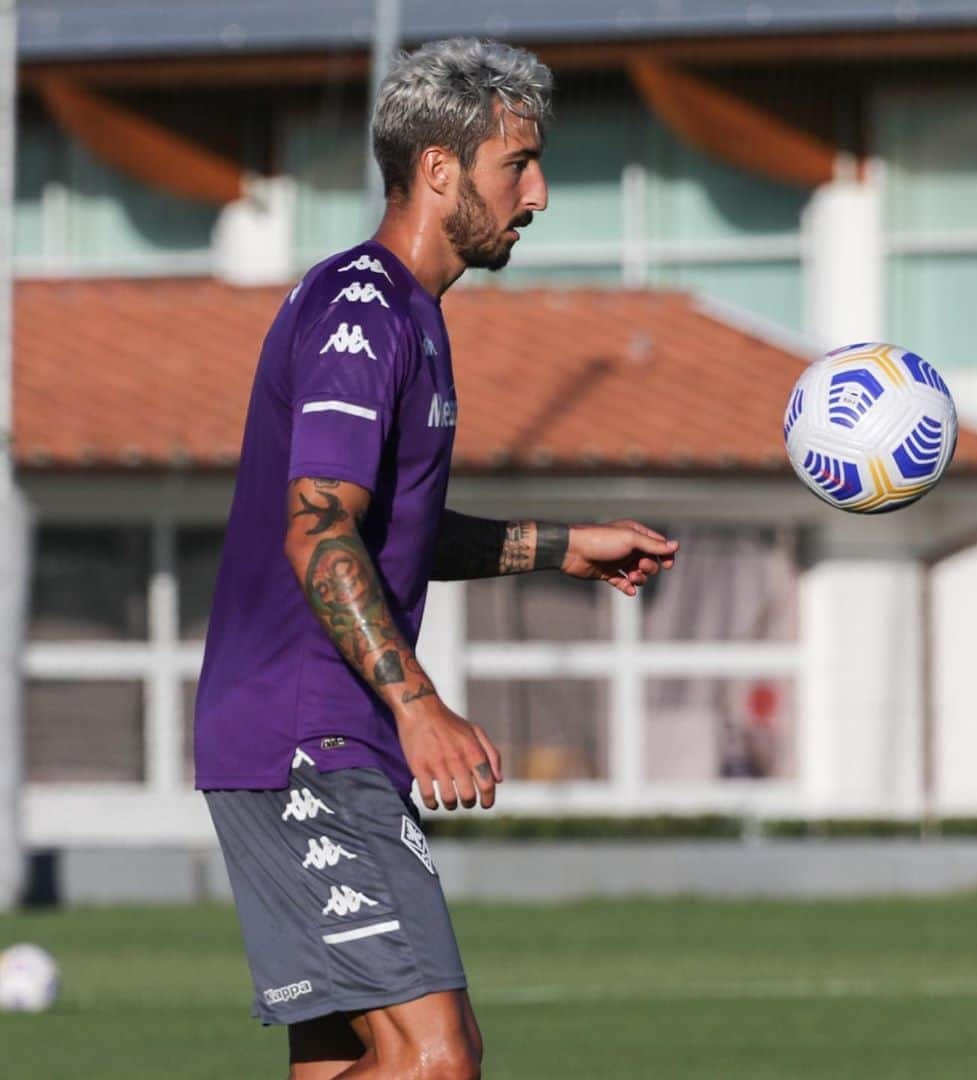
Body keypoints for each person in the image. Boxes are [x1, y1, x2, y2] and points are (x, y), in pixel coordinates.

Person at [193, 37, 679, 1080]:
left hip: (303, 731)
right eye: (520, 165)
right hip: (307, 736)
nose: (539, 195)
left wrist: (560, 548)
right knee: (434, 1063)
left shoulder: (408, 314)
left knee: (350, 1060)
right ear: (440, 168)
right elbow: (317, 525)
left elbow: (384, 532)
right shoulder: (363, 313)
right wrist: (417, 703)